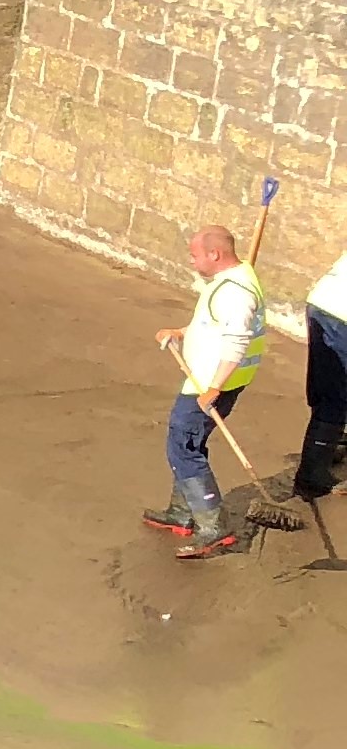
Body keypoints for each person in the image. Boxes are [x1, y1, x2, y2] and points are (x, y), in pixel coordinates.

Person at [148, 224, 264, 561]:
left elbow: (237, 340)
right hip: (209, 379)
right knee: (188, 444)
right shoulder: (232, 280)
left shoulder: (235, 293)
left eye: (195, 255)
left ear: (215, 254)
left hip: (211, 382)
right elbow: (213, 324)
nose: (191, 261)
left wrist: (214, 387)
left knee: (182, 447)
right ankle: (182, 513)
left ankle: (213, 528)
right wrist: (182, 332)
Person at [297, 236, 347, 506]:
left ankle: (326, 447)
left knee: (327, 387)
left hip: (323, 303)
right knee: (335, 396)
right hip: (341, 315)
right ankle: (311, 476)